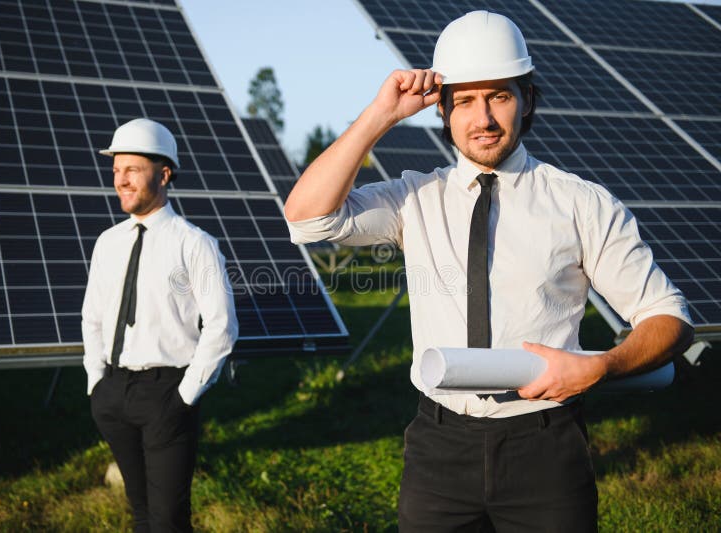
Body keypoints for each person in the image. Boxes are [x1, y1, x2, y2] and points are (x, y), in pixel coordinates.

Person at [284, 10, 693, 532]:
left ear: (525, 100)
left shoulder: (581, 203)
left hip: (545, 444)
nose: (484, 119)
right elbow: (308, 219)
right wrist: (379, 116)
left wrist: (602, 366)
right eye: (466, 102)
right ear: (444, 111)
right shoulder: (414, 196)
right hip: (438, 446)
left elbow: (668, 318)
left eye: (499, 96)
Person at [82, 118, 238, 532]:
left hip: (166, 394)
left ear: (164, 174)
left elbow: (221, 327)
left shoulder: (195, 243)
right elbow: (92, 317)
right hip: (112, 395)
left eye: (131, 169)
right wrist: (97, 382)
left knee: (169, 519)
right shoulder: (107, 243)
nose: (120, 180)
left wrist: (184, 397)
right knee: (140, 512)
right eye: (116, 170)